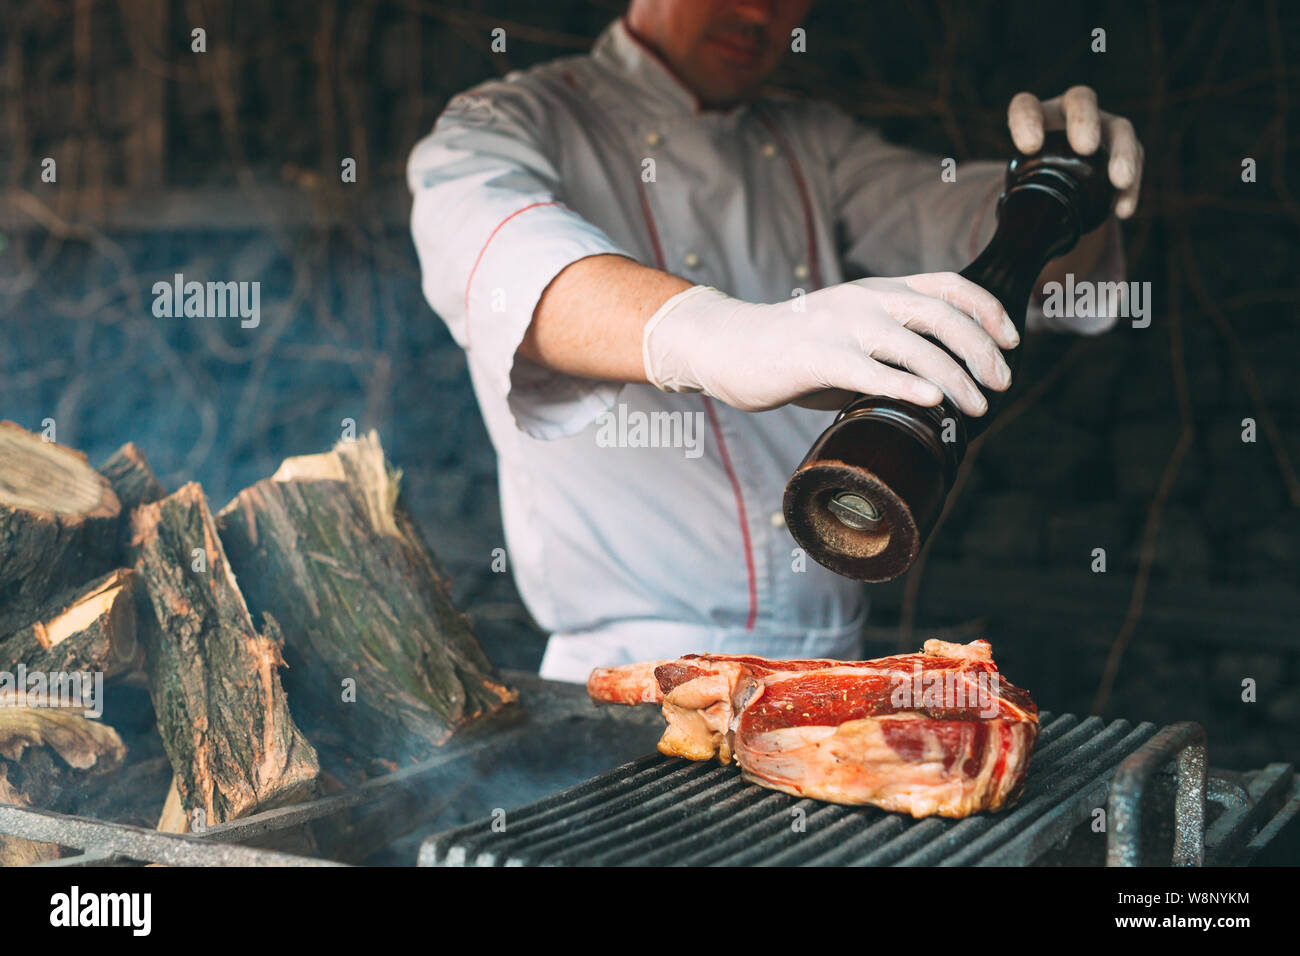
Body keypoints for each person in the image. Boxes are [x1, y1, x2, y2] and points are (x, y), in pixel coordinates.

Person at [407, 1, 1143, 681]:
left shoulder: (810, 144)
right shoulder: (507, 121)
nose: (759, 11)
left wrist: (1064, 188)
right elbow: (499, 265)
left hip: (834, 672)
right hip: (629, 677)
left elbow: (990, 246)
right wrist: (720, 337)